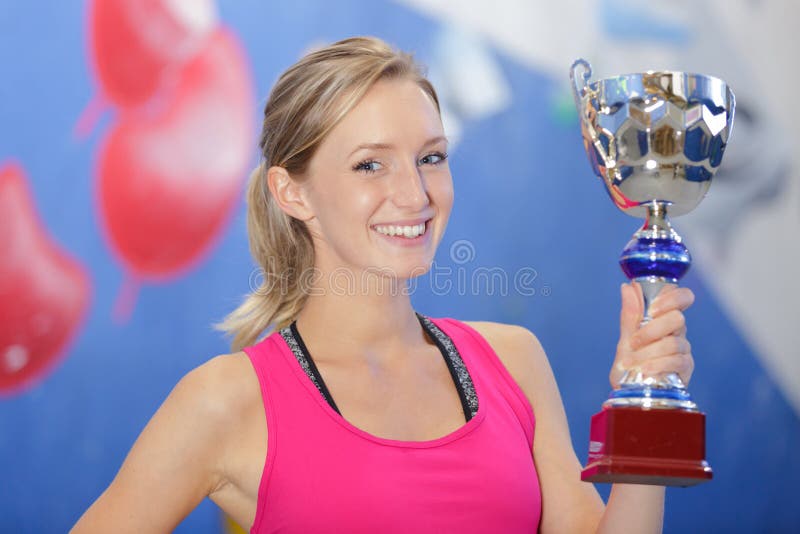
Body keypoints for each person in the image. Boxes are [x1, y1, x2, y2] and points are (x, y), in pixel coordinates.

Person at [72, 36, 695, 533]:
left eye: (431, 157)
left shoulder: (514, 361)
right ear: (292, 192)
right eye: (370, 164)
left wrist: (645, 397)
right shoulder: (226, 401)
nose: (415, 195)